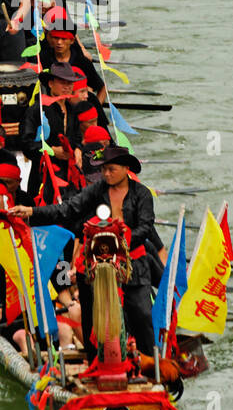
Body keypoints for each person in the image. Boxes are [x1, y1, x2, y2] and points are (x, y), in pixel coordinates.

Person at [12, 145, 156, 356]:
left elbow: (145, 227)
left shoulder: (142, 194)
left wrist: (118, 241)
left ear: (126, 169)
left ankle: (151, 364)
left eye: (111, 169)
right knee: (91, 316)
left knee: (142, 314)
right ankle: (94, 358)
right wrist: (31, 212)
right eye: (104, 169)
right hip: (98, 263)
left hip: (132, 263)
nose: (106, 174)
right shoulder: (97, 190)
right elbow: (67, 209)